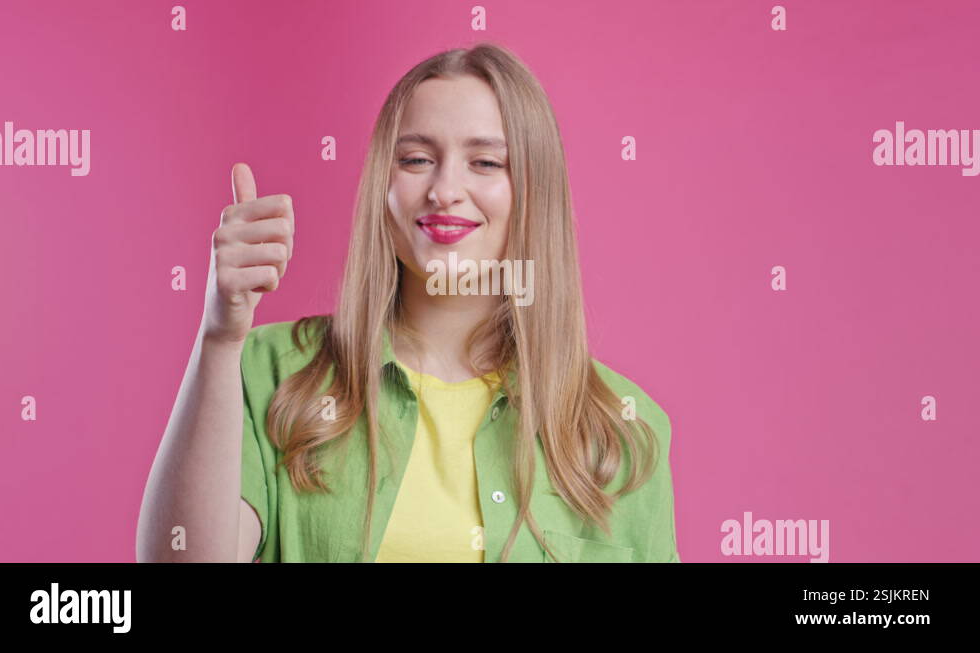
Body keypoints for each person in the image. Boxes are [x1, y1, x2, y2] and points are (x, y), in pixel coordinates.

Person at [136, 42, 680, 563]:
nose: (445, 189)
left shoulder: (626, 428)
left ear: (536, 192)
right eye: (417, 159)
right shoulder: (270, 371)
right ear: (382, 185)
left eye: (486, 163)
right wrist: (220, 336)